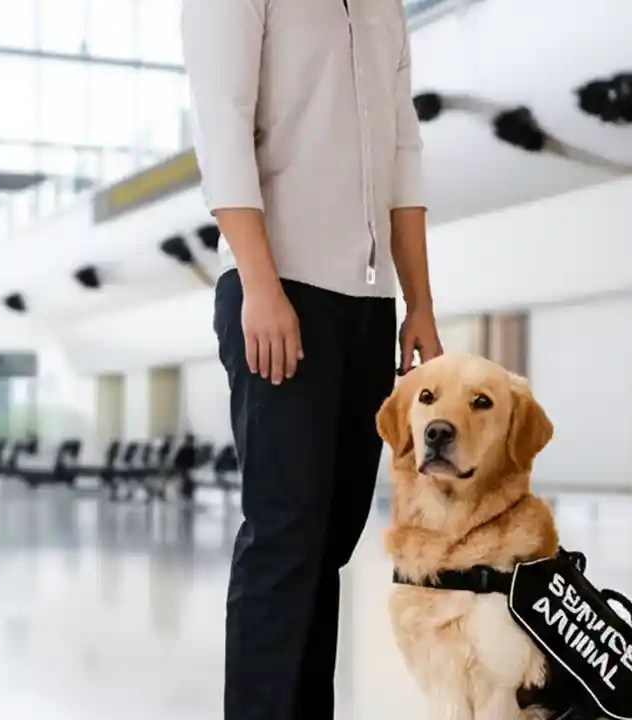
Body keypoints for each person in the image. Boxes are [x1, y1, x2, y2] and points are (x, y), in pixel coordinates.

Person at [182, 1, 443, 718]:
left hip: (367, 303)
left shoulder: (383, 6)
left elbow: (402, 151)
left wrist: (417, 302)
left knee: (328, 540)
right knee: (285, 538)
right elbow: (222, 123)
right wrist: (259, 286)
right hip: (280, 290)